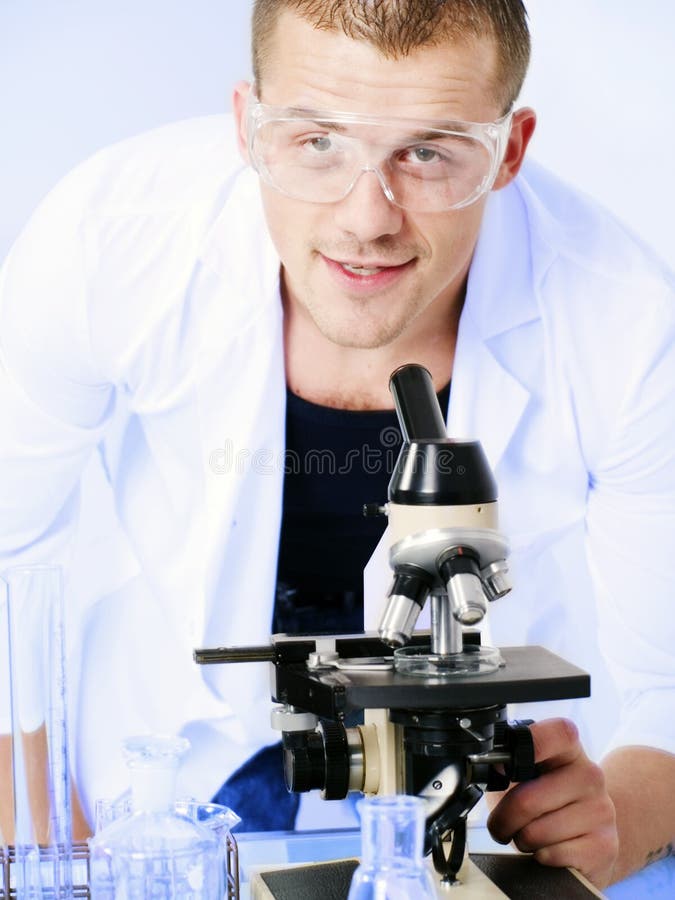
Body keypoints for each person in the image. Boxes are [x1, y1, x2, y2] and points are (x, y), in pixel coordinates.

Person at [0, 0, 673, 888]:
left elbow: (666, 683)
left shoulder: (622, 318)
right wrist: (67, 856)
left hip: (474, 803)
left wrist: (617, 812)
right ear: (248, 125)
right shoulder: (112, 242)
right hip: (161, 770)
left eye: (428, 150)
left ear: (508, 150)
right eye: (315, 141)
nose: (367, 219)